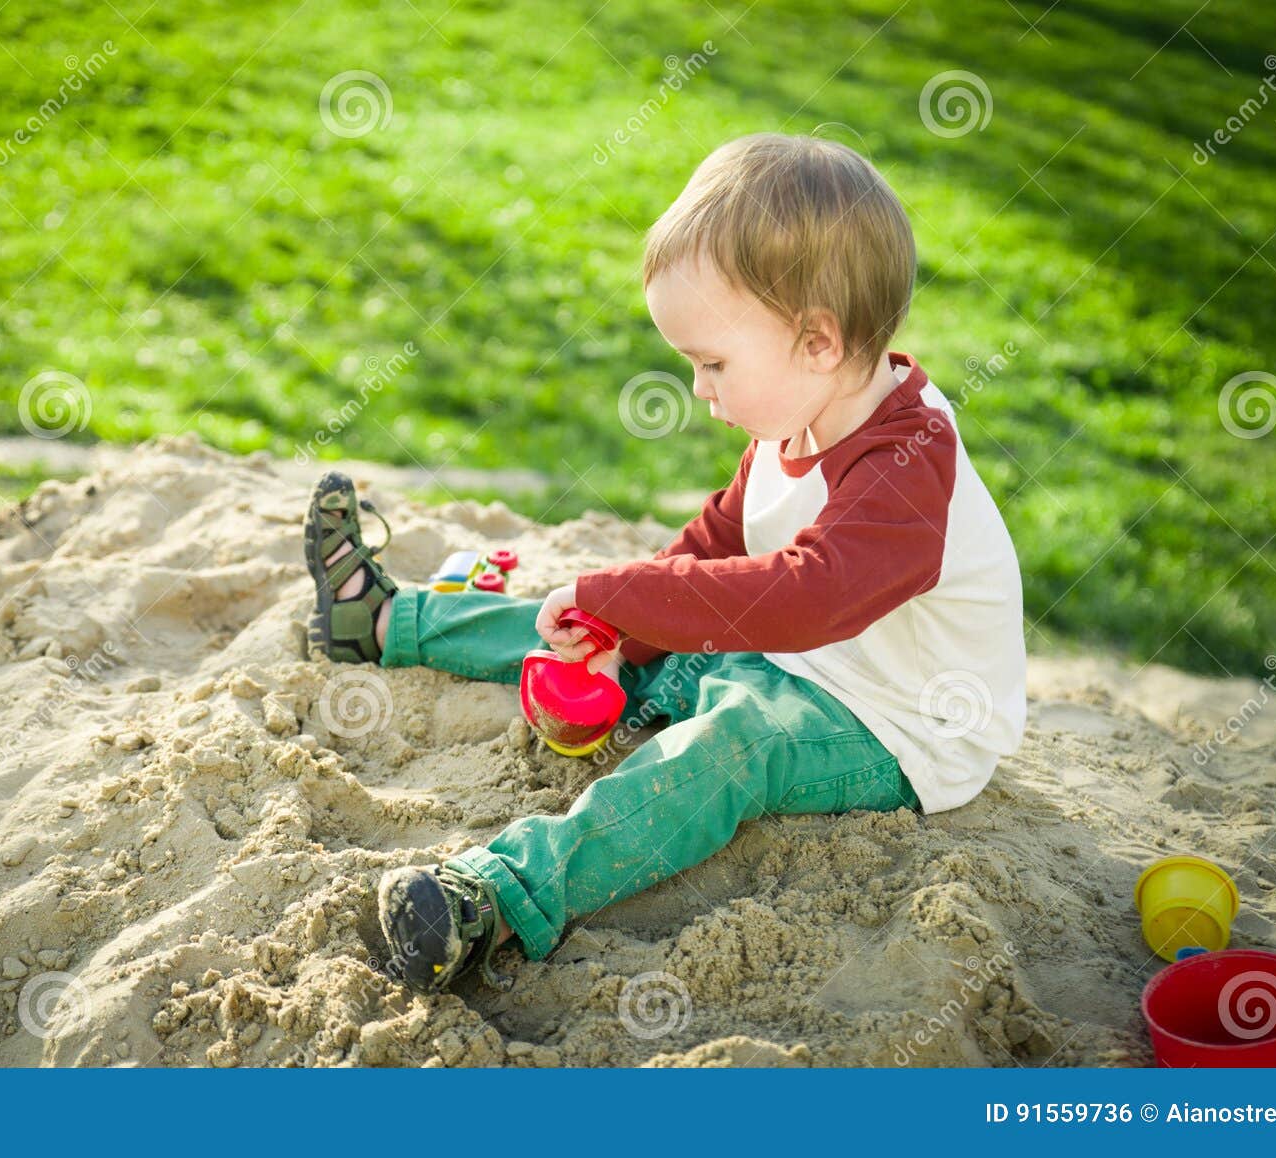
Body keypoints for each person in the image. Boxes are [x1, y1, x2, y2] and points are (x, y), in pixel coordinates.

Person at [303, 133, 1026, 994]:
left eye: (712, 362)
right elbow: (723, 539)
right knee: (597, 619)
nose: (698, 389)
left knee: (730, 749)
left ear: (818, 342)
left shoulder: (910, 466)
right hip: (788, 652)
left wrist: (634, 599)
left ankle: (494, 896)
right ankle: (387, 621)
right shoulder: (800, 411)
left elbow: (813, 595)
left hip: (897, 723)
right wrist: (619, 624)